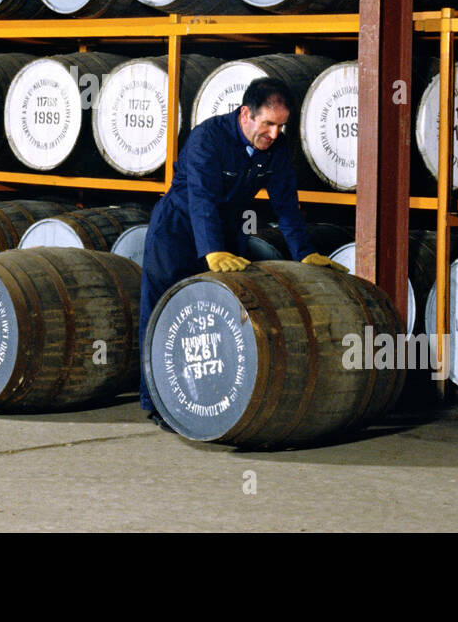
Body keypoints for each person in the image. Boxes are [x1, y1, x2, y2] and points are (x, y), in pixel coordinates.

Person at [139, 77, 345, 428]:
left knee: (217, 319)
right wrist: (212, 250)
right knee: (162, 315)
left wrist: (304, 253)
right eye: (268, 124)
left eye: (281, 125)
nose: (275, 134)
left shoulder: (276, 149)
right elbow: (200, 198)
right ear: (245, 114)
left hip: (227, 233)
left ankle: (209, 395)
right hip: (177, 231)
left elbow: (286, 206)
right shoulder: (208, 138)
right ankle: (156, 402)